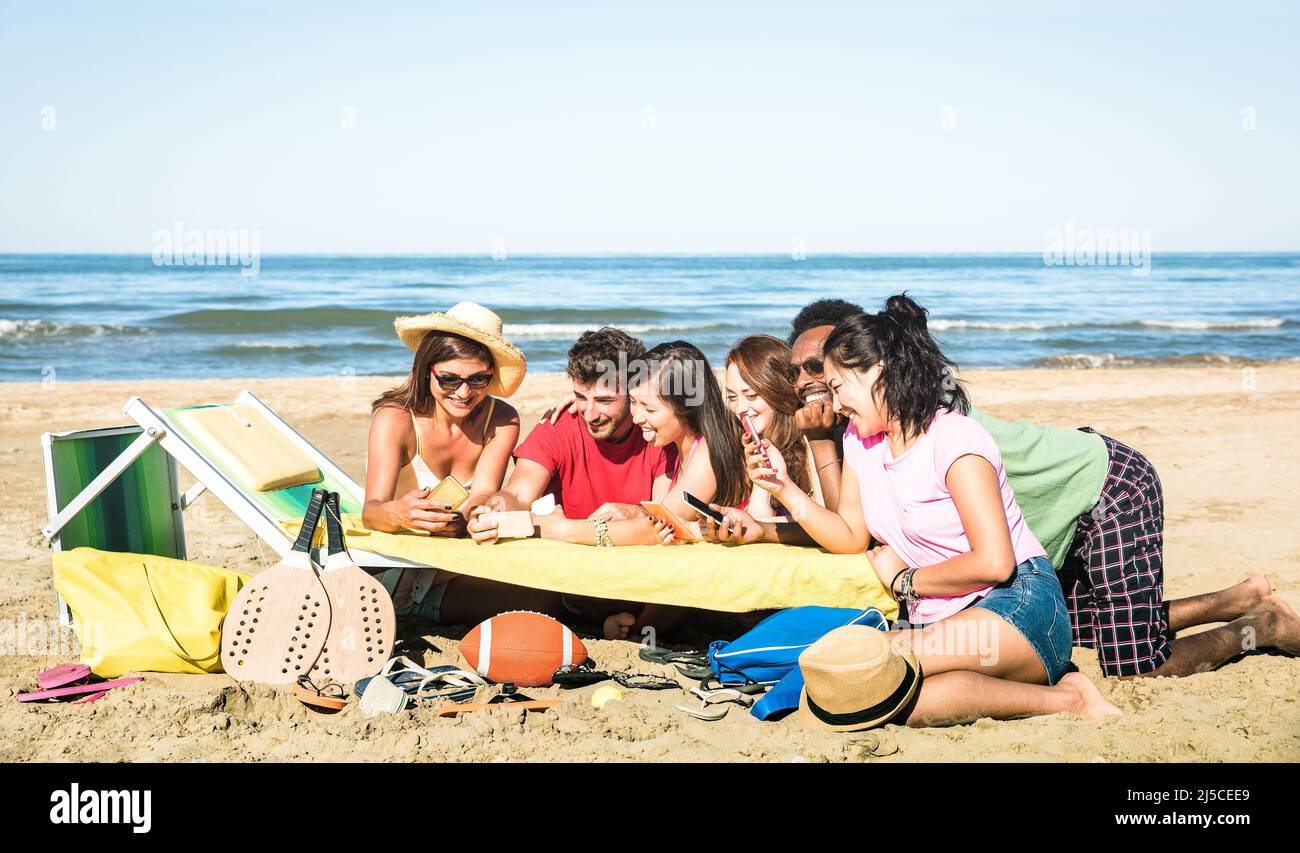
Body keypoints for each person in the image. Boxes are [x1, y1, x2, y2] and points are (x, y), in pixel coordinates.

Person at [779, 297, 1299, 679]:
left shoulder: (934, 424)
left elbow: (975, 550)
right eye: (798, 370)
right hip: (1038, 529)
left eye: (820, 368)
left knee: (1135, 665)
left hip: (1104, 486)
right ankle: (1232, 599)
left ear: (876, 364)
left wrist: (907, 580)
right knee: (1085, 627)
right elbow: (857, 526)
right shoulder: (872, 430)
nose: (808, 382)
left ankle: (1263, 627)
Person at [746, 294, 1122, 724]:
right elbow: (850, 536)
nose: (836, 404)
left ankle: (1063, 687)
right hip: (944, 619)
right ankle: (1070, 697)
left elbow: (995, 563)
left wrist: (905, 580)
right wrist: (784, 489)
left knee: (868, 663)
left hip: (1018, 604)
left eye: (838, 387)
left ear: (879, 373)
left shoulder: (954, 438)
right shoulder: (859, 440)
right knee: (894, 704)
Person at [362, 301, 553, 625]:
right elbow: (371, 512)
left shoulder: (501, 419)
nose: (463, 393)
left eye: (478, 379)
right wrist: (401, 512)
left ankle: (411, 601)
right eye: (449, 379)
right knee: (537, 603)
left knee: (547, 598)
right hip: (403, 560)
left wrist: (465, 520)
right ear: (427, 369)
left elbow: (483, 494)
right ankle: (404, 598)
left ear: (491, 375)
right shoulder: (396, 418)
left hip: (458, 558)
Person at [723, 335, 824, 518]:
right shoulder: (759, 443)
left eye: (751, 396)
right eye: (732, 397)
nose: (740, 408)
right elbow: (759, 517)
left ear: (777, 390)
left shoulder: (811, 439)